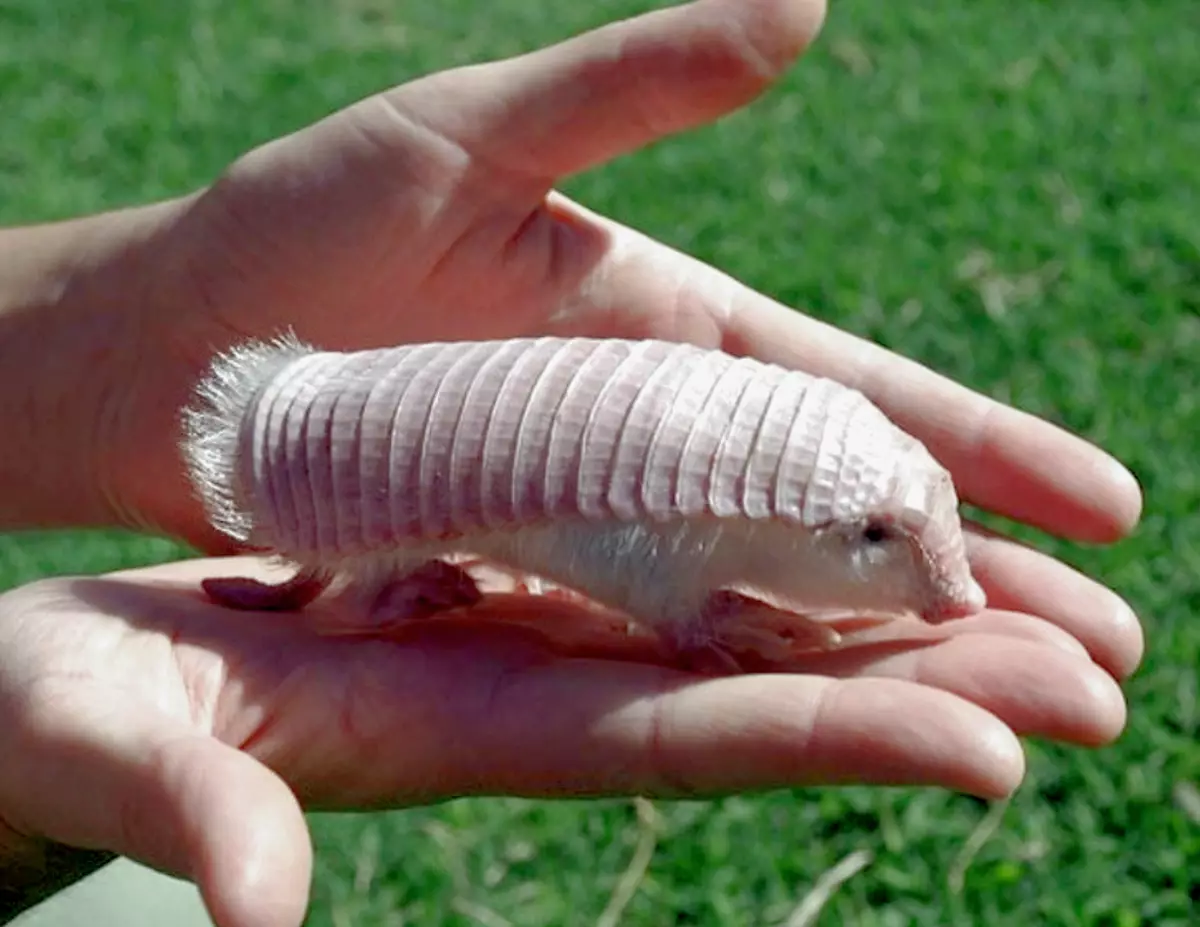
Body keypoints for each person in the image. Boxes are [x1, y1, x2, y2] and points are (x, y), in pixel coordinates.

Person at [0, 1, 1144, 925]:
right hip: (343, 454)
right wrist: (687, 624)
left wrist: (117, 331)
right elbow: (601, 546)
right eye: (885, 543)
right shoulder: (702, 501)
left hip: (367, 441)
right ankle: (365, 571)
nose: (940, 590)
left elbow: (604, 534)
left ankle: (373, 573)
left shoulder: (743, 488)